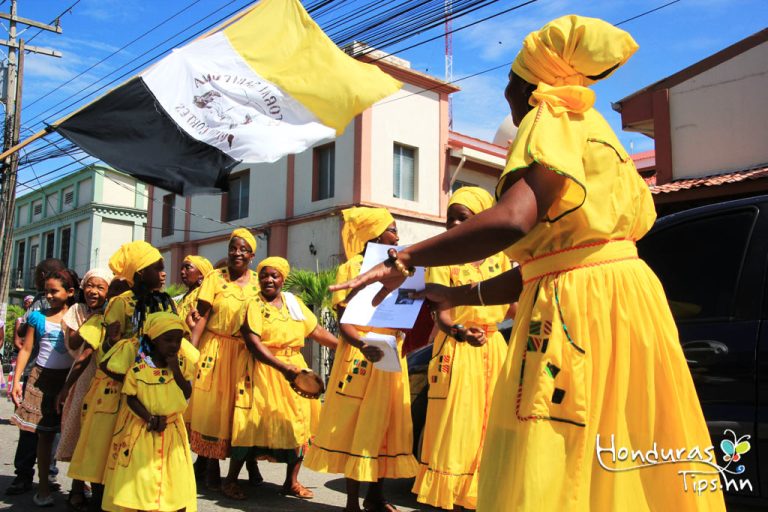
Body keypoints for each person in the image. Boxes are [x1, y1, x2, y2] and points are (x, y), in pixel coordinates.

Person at [331, 16, 726, 511]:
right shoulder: (596, 128)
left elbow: (515, 220)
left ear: (527, 85)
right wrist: (458, 296)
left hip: (578, 309)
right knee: (622, 439)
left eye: (508, 87)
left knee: (558, 453)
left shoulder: (549, 116)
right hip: (625, 300)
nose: (509, 102)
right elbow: (548, 262)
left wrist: (404, 256)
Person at [304, 207, 418, 512]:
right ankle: (353, 501)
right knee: (357, 426)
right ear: (374, 234)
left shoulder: (402, 266)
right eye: (391, 229)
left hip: (392, 354)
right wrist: (363, 343)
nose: (397, 234)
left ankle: (376, 496)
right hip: (361, 354)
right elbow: (344, 320)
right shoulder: (352, 268)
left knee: (384, 425)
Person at [412, 187, 513, 511]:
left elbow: (512, 306)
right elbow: (441, 313)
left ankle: (483, 496)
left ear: (482, 220)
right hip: (457, 349)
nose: (454, 225)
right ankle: (453, 501)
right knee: (457, 426)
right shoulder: (443, 259)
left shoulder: (500, 258)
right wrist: (459, 331)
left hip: (494, 348)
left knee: (494, 423)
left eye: (463, 218)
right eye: (449, 219)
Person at [68, 241, 174, 511]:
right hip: (117, 389)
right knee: (108, 448)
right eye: (157, 268)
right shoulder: (120, 304)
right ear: (139, 273)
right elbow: (104, 352)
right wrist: (113, 342)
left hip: (152, 388)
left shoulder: (165, 302)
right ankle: (103, 501)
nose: (164, 273)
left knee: (144, 450)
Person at [227, 257, 339, 500]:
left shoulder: (293, 303)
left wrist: (342, 347)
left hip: (295, 371)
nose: (269, 279)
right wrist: (282, 367)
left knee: (299, 423)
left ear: (283, 279)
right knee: (252, 424)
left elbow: (315, 330)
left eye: (274, 275)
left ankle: (291, 482)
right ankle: (231, 480)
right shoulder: (252, 304)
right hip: (263, 370)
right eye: (264, 275)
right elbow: (253, 343)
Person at [101, 312, 199, 512]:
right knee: (142, 481)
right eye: (168, 340)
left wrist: (176, 371)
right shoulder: (138, 370)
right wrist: (150, 418)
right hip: (144, 430)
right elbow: (131, 397)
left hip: (173, 431)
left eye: (178, 340)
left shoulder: (182, 365)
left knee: (174, 481)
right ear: (153, 340)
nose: (174, 345)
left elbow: (187, 391)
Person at [188, 228, 262, 492]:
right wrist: (191, 353)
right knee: (211, 409)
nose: (237, 253)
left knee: (237, 410)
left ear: (252, 255)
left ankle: (241, 465)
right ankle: (209, 465)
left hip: (243, 354)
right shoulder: (214, 278)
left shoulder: (257, 282)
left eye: (243, 249)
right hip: (214, 350)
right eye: (233, 248)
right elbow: (203, 316)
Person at [10, 269, 79, 507]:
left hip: (70, 381)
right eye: (46, 291)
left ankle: (81, 486)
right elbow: (27, 349)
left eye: (54, 291)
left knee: (77, 432)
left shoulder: (78, 317)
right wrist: (16, 380)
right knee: (44, 435)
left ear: (70, 292)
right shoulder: (38, 318)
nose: (48, 296)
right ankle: (42, 487)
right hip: (41, 379)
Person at [55, 268, 113, 512]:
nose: (94, 291)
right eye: (90, 286)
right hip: (82, 377)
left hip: (106, 380)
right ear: (82, 288)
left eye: (100, 287)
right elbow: (75, 344)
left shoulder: (112, 311)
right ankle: (77, 488)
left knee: (99, 437)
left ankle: (98, 490)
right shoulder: (76, 312)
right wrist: (91, 323)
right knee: (80, 433)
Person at [176, 255, 214, 327]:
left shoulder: (204, 294)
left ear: (201, 275)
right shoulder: (183, 298)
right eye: (181, 269)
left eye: (188, 268)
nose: (182, 272)